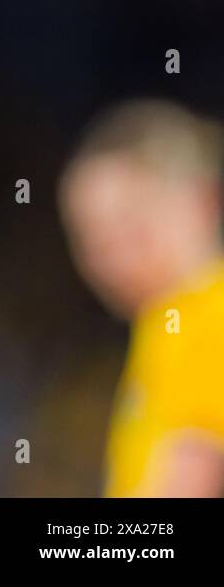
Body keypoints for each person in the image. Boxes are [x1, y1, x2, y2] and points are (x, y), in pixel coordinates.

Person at [59, 98, 224, 496]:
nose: (107, 257)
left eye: (129, 224)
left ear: (203, 201)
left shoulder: (203, 317)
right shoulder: (165, 324)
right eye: (89, 238)